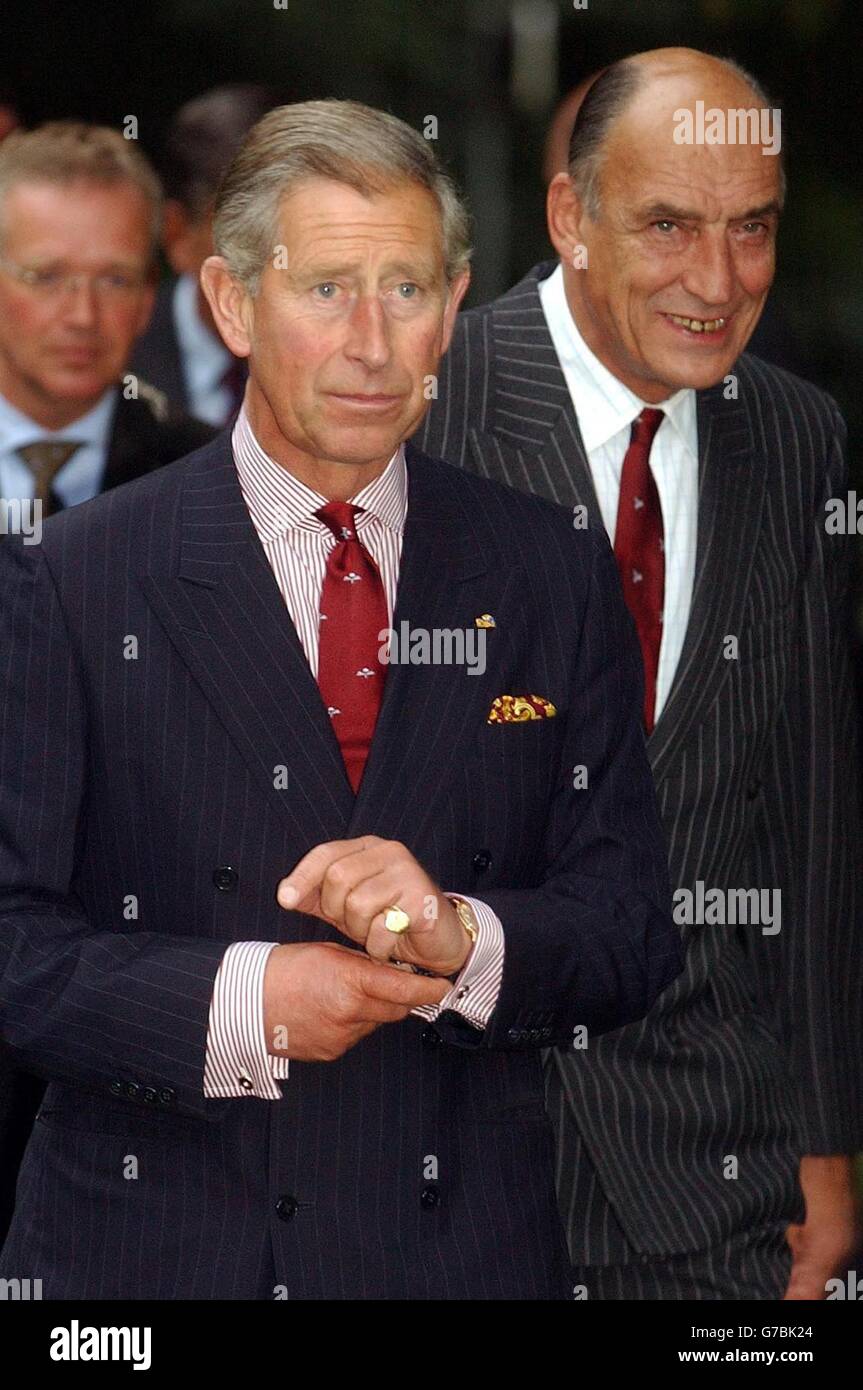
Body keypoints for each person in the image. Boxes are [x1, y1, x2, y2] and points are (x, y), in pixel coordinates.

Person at [0, 99, 682, 1300]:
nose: (372, 342)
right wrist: (247, 1001)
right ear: (228, 304)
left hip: (456, 1259)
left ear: (452, 308)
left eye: (405, 290)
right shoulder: (75, 577)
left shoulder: (547, 571)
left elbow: (627, 927)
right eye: (324, 290)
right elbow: (15, 946)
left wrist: (468, 939)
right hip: (154, 1268)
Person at [417, 48, 863, 1299]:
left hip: (716, 1179)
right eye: (668, 226)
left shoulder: (794, 437)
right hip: (446, 1152)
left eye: (751, 231)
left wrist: (827, 1142)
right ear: (571, 216)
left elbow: (813, 810)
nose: (715, 283)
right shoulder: (416, 401)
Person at [0, 120, 215, 1246]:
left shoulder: (214, 484)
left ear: (154, 290)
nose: (81, 317)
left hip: (134, 1031)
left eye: (113, 278)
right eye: (43, 277)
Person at [130, 84, 282, 426]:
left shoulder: (365, 356)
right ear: (178, 234)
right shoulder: (110, 356)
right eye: (248, 232)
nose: (283, 256)